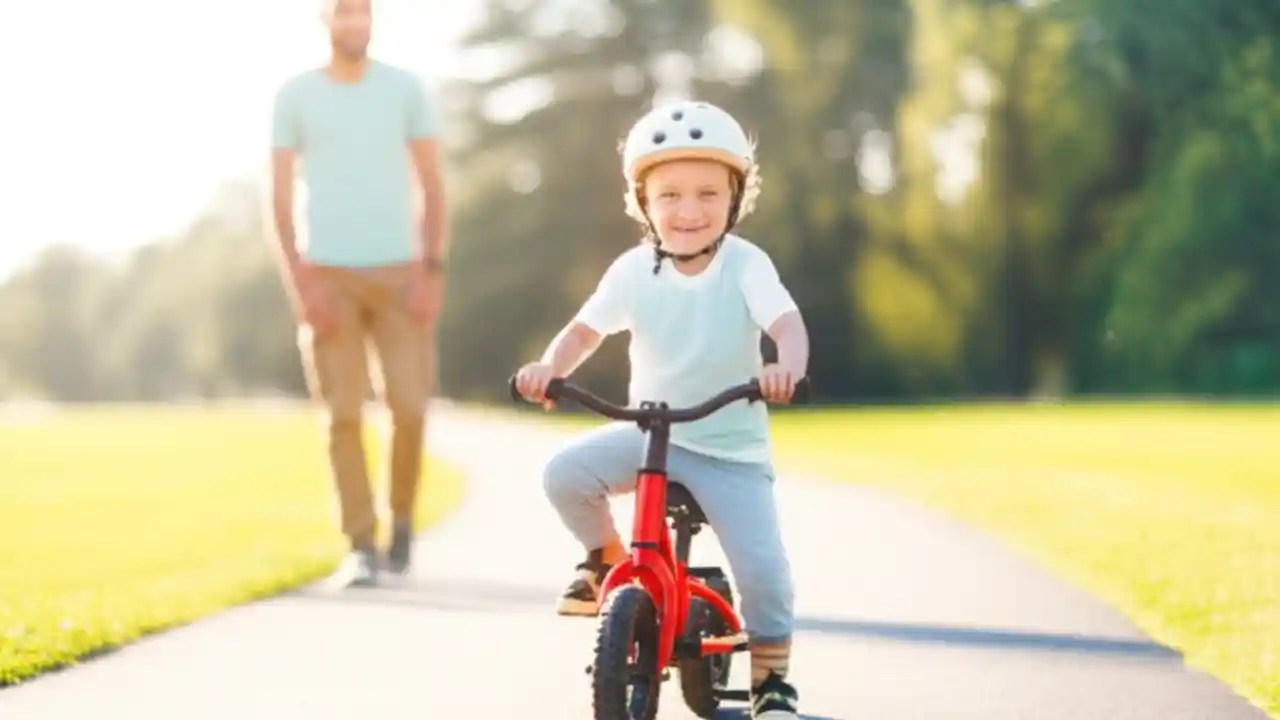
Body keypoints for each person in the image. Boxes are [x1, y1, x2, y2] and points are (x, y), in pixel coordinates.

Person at [513, 100, 808, 719]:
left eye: (708, 193)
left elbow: (786, 322)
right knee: (564, 474)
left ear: (735, 199)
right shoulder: (633, 271)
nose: (690, 211)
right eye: (670, 195)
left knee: (764, 571)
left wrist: (786, 366)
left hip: (730, 449)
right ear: (642, 202)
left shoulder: (746, 266)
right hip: (651, 436)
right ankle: (608, 562)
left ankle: (771, 680)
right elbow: (584, 330)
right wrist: (550, 368)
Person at [269, 0, 448, 587]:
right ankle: (361, 545)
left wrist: (431, 269)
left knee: (411, 407)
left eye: (364, 12)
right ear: (325, 19)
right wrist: (301, 281)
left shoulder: (403, 90)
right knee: (343, 415)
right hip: (329, 275)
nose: (356, 23)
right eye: (345, 12)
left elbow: (431, 183)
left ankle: (401, 523)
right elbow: (276, 198)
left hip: (401, 274)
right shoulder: (295, 95)